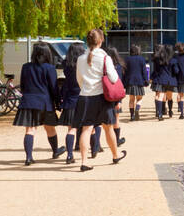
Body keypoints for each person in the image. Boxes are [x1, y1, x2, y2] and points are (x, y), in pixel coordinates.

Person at [73, 28, 126, 172]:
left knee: (86, 129)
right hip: (102, 98)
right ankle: (115, 155)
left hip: (85, 97)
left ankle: (84, 161)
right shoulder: (105, 58)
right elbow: (114, 78)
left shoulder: (80, 58)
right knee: (108, 127)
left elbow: (79, 79)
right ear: (101, 41)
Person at [13, 41, 64, 165]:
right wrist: (58, 103)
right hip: (45, 102)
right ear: (47, 53)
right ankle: (55, 151)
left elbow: (23, 86)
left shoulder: (26, 67)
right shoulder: (50, 68)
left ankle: (29, 157)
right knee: (50, 128)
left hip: (29, 101)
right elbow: (54, 88)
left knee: (30, 130)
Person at [59, 42, 85, 162]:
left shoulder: (67, 66)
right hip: (83, 98)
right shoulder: (84, 65)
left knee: (71, 129)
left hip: (70, 99)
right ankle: (92, 148)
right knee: (87, 128)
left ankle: (69, 154)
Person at [150, 44, 176, 120]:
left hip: (160, 79)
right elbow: (176, 71)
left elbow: (155, 70)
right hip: (169, 81)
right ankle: (170, 111)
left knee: (159, 96)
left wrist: (152, 77)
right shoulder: (172, 60)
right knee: (169, 97)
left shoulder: (157, 59)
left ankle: (159, 113)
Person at [124, 44, 150, 121]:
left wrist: (124, 82)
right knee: (139, 98)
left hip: (130, 81)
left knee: (131, 100)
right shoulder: (141, 59)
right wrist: (146, 80)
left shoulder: (127, 59)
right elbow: (144, 71)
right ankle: (137, 109)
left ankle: (132, 116)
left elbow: (125, 71)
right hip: (139, 81)